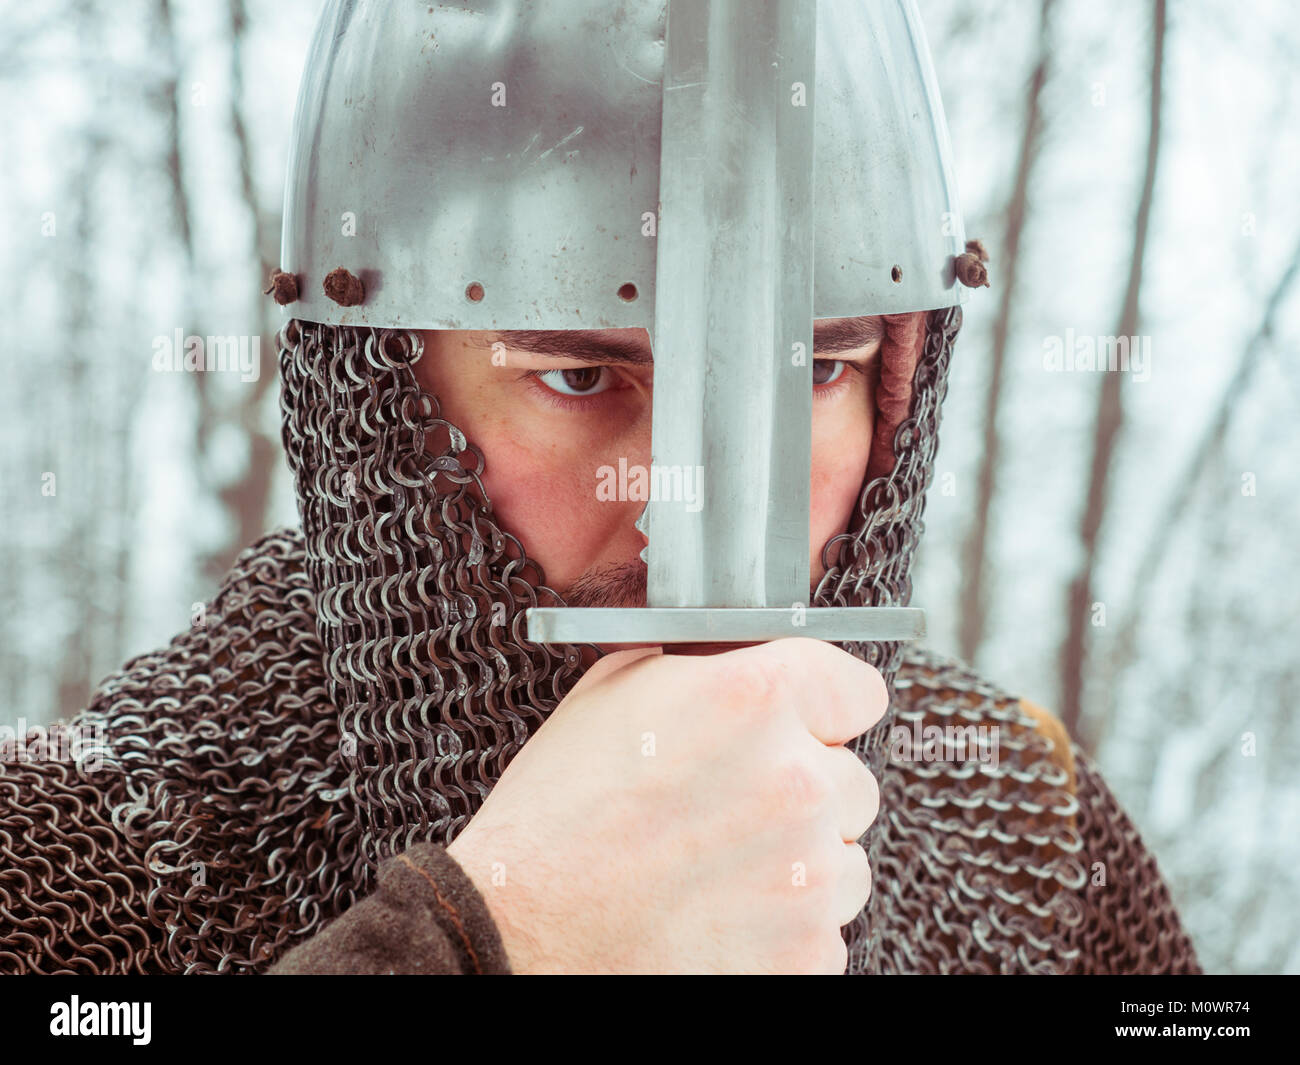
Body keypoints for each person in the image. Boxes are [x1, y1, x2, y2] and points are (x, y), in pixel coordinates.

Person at [0, 0, 1200, 975]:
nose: (700, 509)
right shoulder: (68, 861)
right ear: (376, 402)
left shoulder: (1030, 838)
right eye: (581, 375)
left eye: (818, 369)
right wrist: (488, 939)